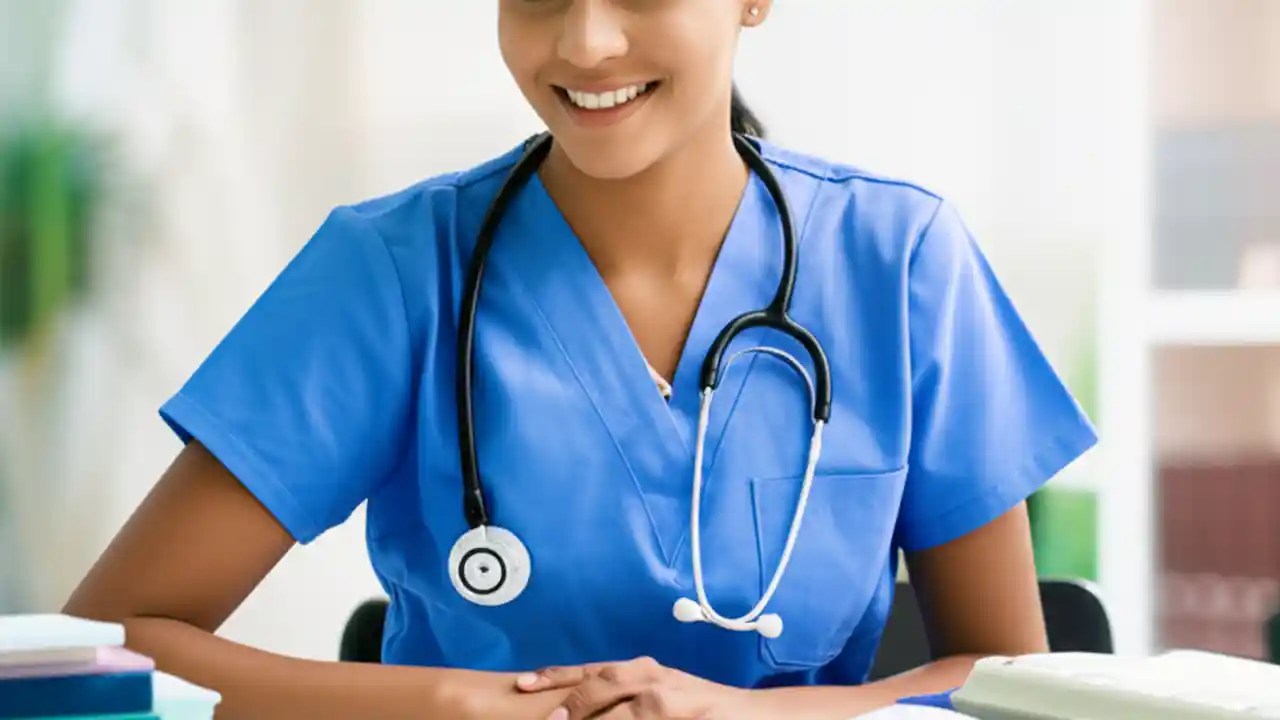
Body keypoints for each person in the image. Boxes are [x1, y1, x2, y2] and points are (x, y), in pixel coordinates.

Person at [63, 2, 1098, 718]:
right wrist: (447, 705)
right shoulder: (391, 272)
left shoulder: (898, 263)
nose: (584, 40)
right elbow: (105, 643)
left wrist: (744, 717)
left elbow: (1000, 680)